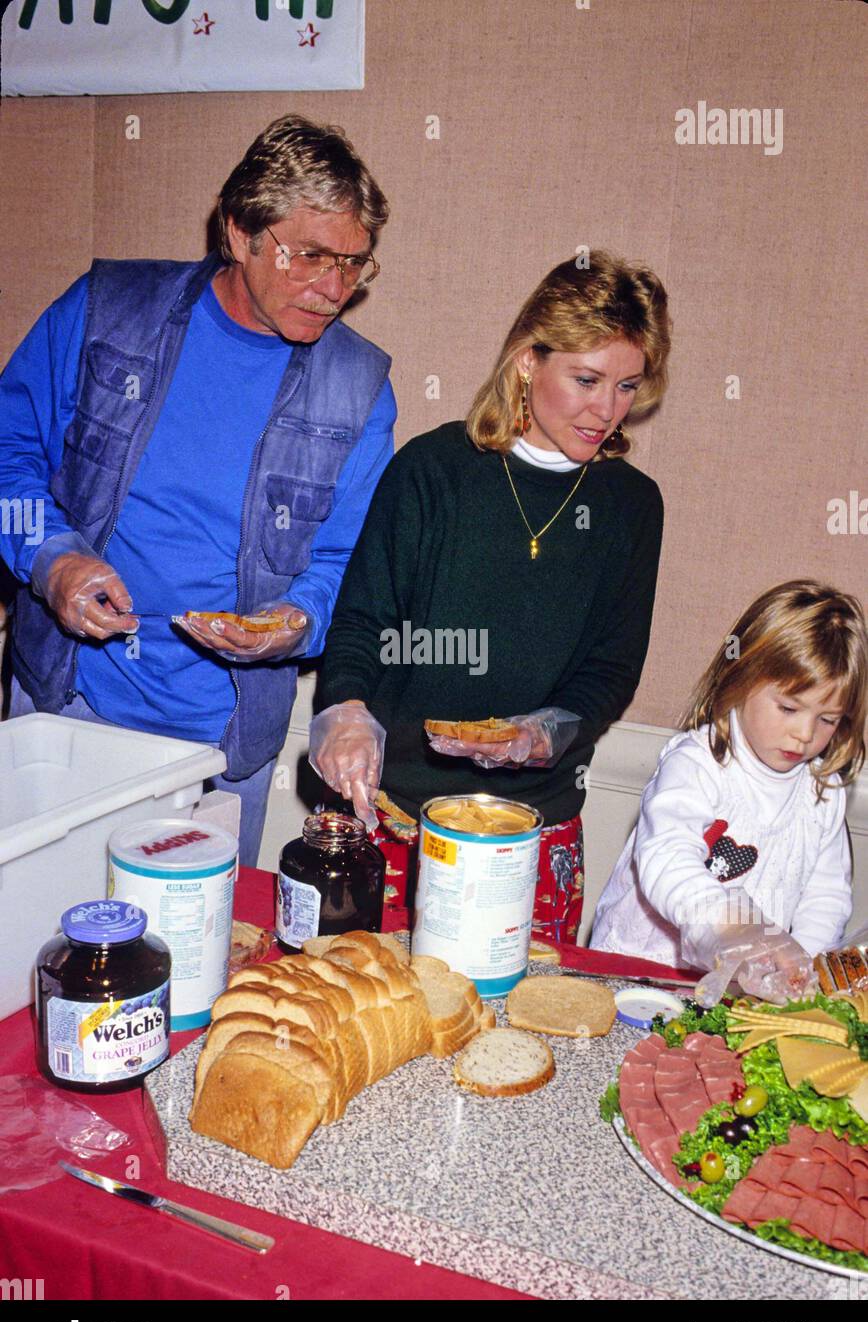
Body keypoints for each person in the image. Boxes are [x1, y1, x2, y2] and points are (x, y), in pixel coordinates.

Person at [0, 114, 397, 864]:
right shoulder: (104, 308)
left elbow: (349, 561)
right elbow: (5, 454)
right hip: (64, 704)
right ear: (238, 230)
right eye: (310, 255)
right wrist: (51, 559)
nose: (333, 288)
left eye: (354, 265)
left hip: (219, 747)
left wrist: (296, 621)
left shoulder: (360, 391)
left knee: (196, 961)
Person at [307, 250, 672, 942]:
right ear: (529, 361)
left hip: (533, 832)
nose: (607, 410)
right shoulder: (433, 470)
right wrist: (346, 710)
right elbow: (364, 620)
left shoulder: (632, 506)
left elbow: (611, 670)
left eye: (628, 386)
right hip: (395, 821)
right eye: (587, 379)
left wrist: (548, 732)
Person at [590, 580, 868, 1001]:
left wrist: (799, 968)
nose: (804, 733)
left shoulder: (822, 792)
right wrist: (730, 923)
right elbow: (667, 855)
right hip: (641, 971)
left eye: (828, 719)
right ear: (741, 677)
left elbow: (825, 897)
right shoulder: (697, 764)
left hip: (740, 989)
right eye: (789, 708)